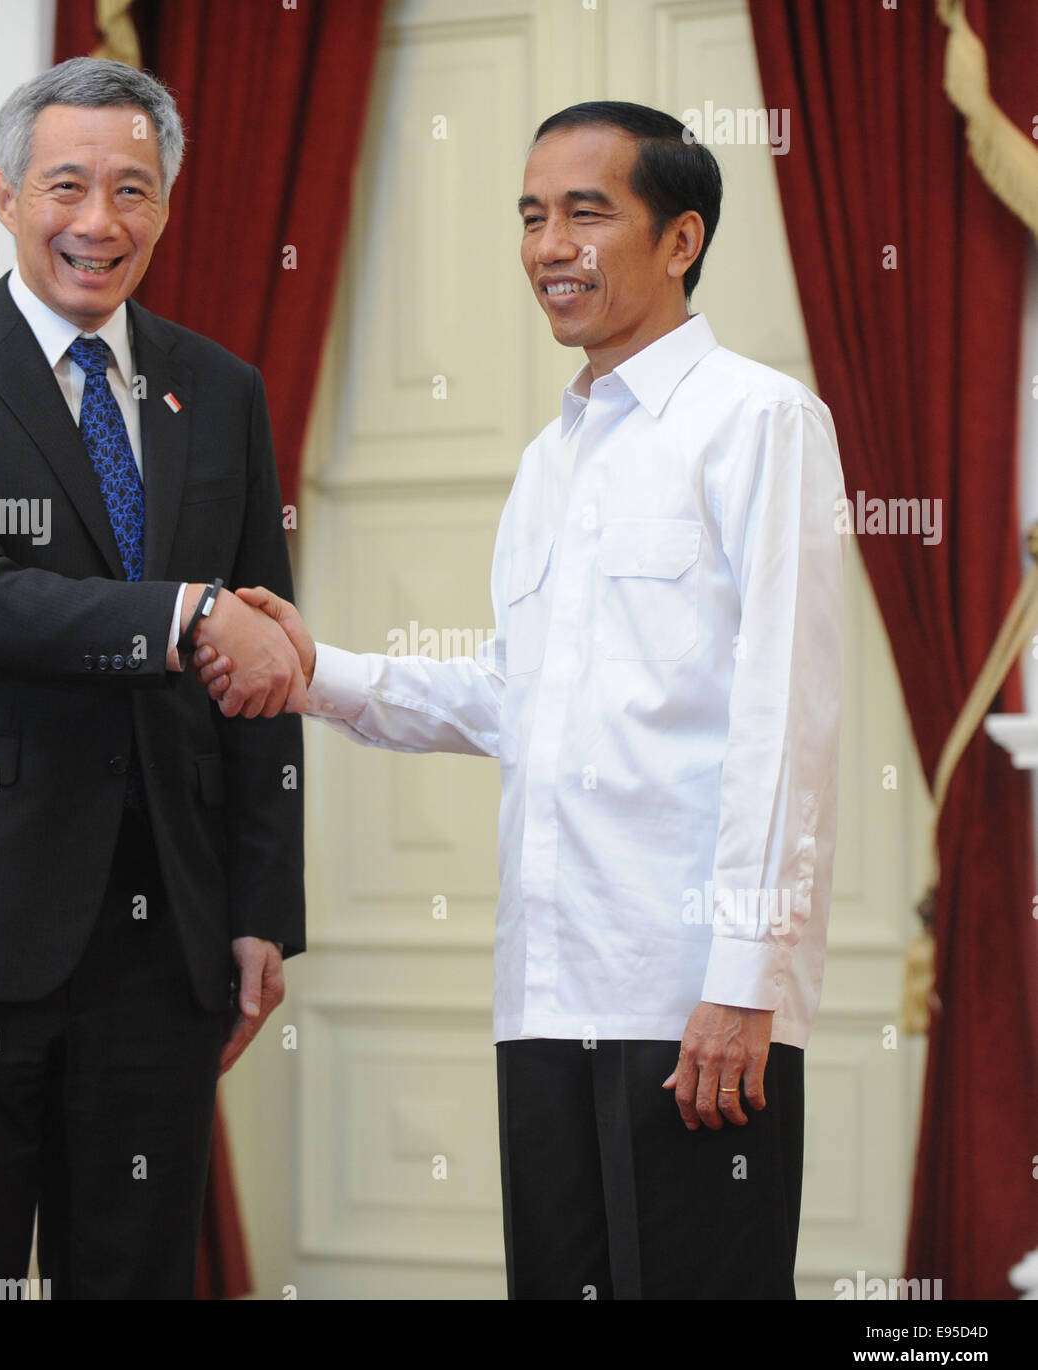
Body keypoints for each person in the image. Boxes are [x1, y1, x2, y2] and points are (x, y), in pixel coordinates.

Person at [199, 101, 847, 1300]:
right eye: (533, 216)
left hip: (690, 996)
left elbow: (786, 719)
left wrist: (742, 981)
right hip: (548, 991)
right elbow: (514, 697)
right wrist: (314, 668)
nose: (551, 244)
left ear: (682, 237)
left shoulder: (760, 422)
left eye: (588, 213)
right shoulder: (552, 461)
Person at [0, 57, 307, 1299]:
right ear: (5, 194)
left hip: (161, 946)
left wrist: (264, 902)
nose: (98, 223)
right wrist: (183, 611)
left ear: (165, 207)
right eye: (67, 186)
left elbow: (260, 653)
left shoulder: (223, 390)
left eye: (133, 191)